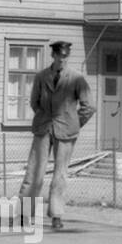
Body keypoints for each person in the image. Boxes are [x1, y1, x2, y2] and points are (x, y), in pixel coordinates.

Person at [21, 40, 95, 231]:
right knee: (34, 172)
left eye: (65, 56)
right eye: (59, 56)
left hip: (66, 131)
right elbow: (34, 102)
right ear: (53, 55)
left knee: (60, 175)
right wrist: (44, 117)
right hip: (43, 128)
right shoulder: (41, 77)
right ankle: (25, 213)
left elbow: (89, 106)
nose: (62, 59)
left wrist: (74, 122)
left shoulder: (77, 78)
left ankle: (56, 215)